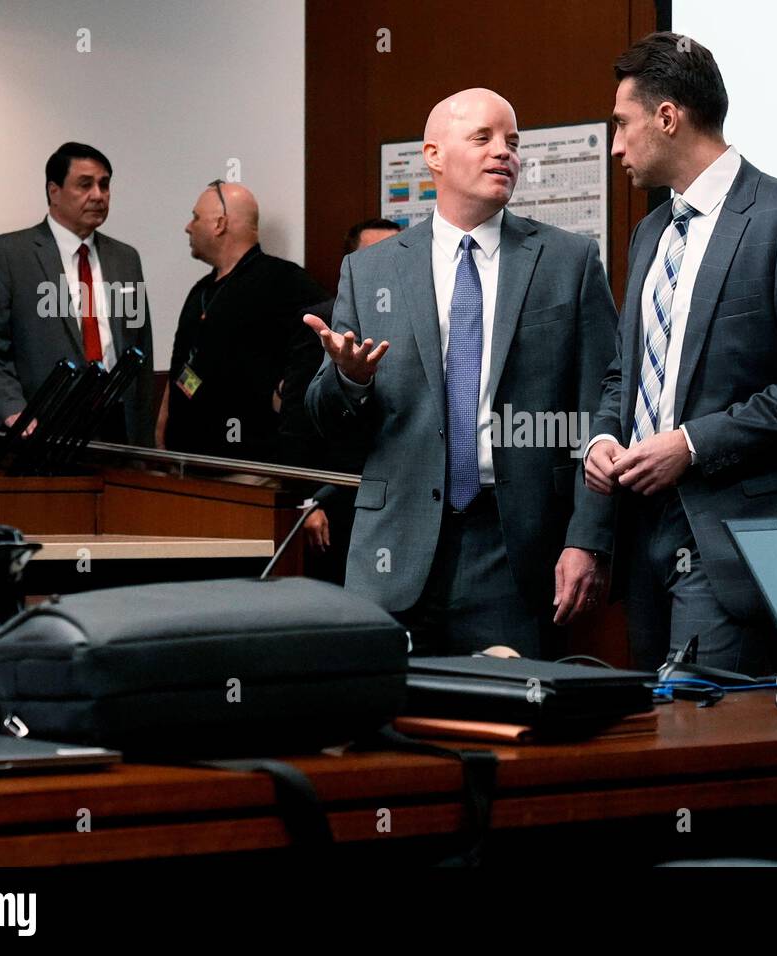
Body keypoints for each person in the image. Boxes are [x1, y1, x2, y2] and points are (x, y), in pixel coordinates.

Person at [304, 88, 617, 657]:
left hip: (516, 555)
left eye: (513, 142)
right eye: (484, 138)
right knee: (387, 734)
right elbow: (332, 428)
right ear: (433, 155)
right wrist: (349, 381)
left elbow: (603, 410)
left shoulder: (569, 262)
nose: (505, 153)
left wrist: (588, 539)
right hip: (392, 553)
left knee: (509, 731)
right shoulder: (369, 269)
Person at [584, 32, 777, 674]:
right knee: (652, 734)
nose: (616, 145)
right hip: (643, 529)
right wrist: (600, 438)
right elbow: (627, 370)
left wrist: (692, 443)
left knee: (700, 731)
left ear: (668, 117)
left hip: (739, 535)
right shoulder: (650, 232)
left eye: (622, 124)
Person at [0, 142, 156, 445]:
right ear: (54, 191)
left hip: (116, 428)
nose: (98, 195)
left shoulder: (125, 258)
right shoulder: (8, 254)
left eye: (104, 185)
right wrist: (13, 411)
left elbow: (140, 347)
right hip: (37, 427)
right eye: (85, 184)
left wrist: (144, 436)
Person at [156, 180, 329, 463]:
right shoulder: (200, 291)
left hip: (249, 470)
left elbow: (327, 340)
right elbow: (181, 368)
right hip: (186, 467)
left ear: (219, 224)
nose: (188, 227)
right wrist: (162, 437)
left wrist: (285, 393)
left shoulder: (283, 280)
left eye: (196, 217)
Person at [287, 218, 403, 583]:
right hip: (336, 498)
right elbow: (297, 417)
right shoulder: (324, 319)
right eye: (376, 256)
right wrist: (305, 499)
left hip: (401, 498)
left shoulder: (417, 317)